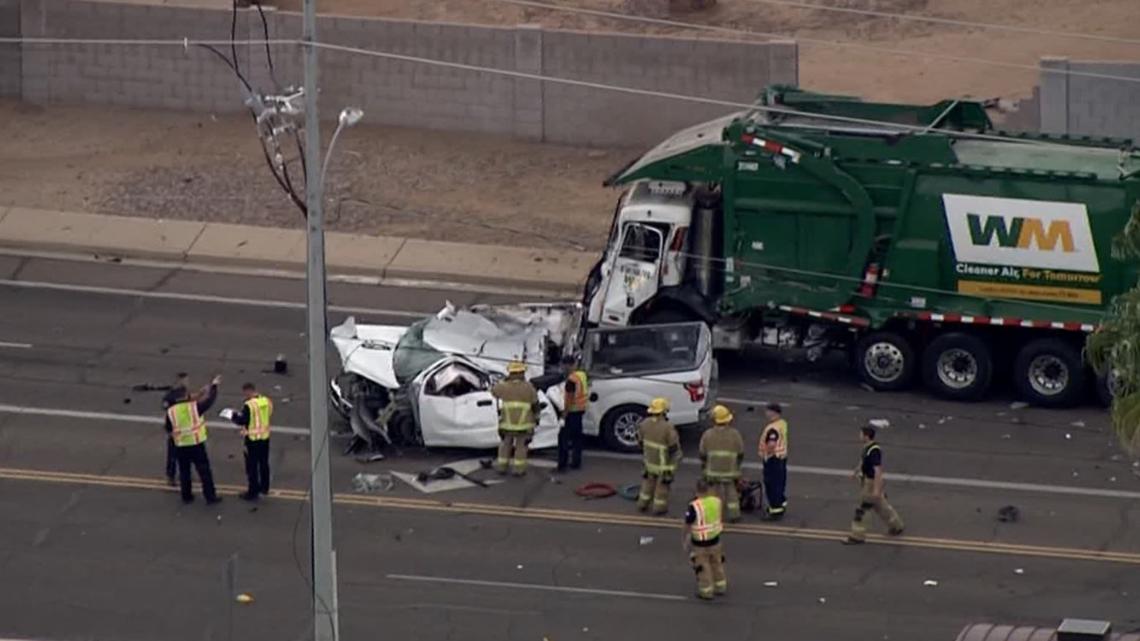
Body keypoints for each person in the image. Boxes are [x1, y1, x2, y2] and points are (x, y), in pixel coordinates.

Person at [165, 374, 223, 504]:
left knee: (184, 472)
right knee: (204, 472)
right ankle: (210, 496)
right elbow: (209, 401)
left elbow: (168, 428)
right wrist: (214, 386)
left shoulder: (171, 411)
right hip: (196, 444)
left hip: (181, 445)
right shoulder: (194, 408)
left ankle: (186, 496)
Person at [845, 425, 905, 544]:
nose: (859, 436)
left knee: (863, 508)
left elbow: (878, 471)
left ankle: (858, 536)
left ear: (866, 436)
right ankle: (897, 526)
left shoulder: (874, 450)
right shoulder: (867, 447)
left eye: (861, 434)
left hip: (871, 483)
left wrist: (876, 490)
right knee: (881, 506)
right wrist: (855, 472)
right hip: (867, 480)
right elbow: (862, 461)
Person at [491, 361, 540, 476]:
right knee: (521, 447)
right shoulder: (529, 387)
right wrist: (537, 418)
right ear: (521, 373)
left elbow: (493, 392)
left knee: (505, 445)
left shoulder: (503, 386)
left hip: (507, 424)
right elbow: (535, 404)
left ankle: (502, 467)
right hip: (524, 424)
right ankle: (518, 470)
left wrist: (505, 381)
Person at [683, 478, 727, 600]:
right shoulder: (716, 501)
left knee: (702, 567)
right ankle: (721, 586)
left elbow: (687, 524)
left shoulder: (695, 506)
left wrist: (685, 539)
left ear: (697, 490)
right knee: (717, 563)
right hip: (715, 540)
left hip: (700, 544)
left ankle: (706, 591)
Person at [699, 404, 744, 522]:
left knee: (712, 494)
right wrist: (737, 467)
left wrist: (704, 466)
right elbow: (740, 453)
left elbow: (702, 453)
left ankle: (712, 515)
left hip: (712, 471)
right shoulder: (735, 434)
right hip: (730, 471)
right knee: (731, 493)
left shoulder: (707, 434)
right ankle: (734, 514)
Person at [636, 397, 681, 515]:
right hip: (664, 465)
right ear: (664, 411)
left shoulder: (644, 424)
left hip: (649, 462)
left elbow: (640, 442)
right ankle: (658, 508)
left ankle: (642, 504)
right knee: (662, 488)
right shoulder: (667, 427)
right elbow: (673, 448)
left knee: (647, 484)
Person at [230, 382, 273, 501]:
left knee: (252, 466)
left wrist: (233, 416)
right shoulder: (266, 401)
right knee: (264, 464)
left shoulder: (249, 405)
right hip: (265, 437)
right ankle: (265, 487)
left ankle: (253, 491)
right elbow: (268, 413)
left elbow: (242, 420)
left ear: (248, 391)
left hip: (253, 440)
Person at [557, 354, 589, 472]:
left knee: (563, 439)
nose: (562, 368)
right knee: (577, 439)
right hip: (580, 411)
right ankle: (576, 462)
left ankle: (562, 465)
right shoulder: (582, 375)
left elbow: (569, 399)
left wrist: (564, 415)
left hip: (571, 412)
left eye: (563, 365)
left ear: (568, 365)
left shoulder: (571, 380)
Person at [759, 402, 789, 519]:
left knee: (772, 485)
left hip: (773, 459)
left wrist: (767, 454)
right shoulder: (782, 424)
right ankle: (781, 503)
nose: (766, 413)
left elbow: (771, 444)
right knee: (780, 483)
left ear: (773, 412)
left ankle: (775, 510)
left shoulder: (772, 428)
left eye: (767, 411)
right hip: (781, 458)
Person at [160, 372, 189, 486]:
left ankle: (184, 475)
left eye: (186, 380)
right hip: (175, 428)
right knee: (173, 454)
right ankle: (170, 476)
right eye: (183, 380)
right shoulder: (172, 395)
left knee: (186, 453)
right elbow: (166, 408)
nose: (185, 382)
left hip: (185, 427)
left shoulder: (186, 393)